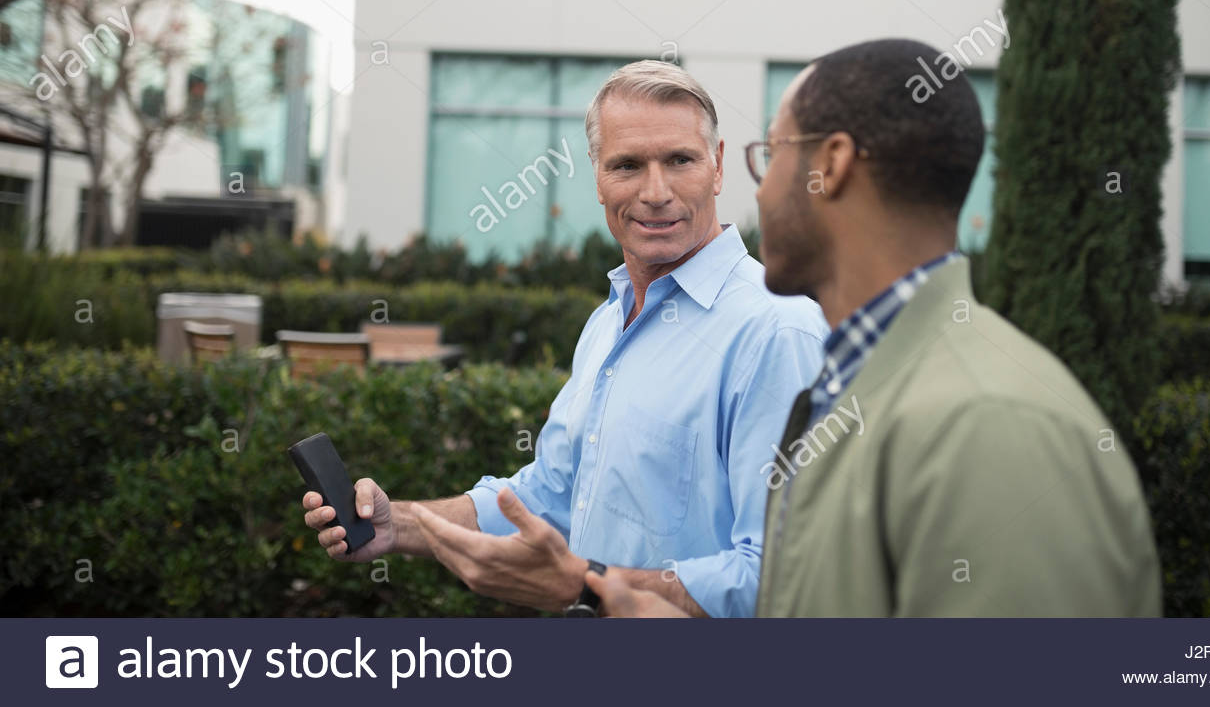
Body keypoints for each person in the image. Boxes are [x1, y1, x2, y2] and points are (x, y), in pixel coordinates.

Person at [589, 39, 1162, 617]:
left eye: (770, 156)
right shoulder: (866, 384)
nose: (756, 191)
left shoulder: (987, 420)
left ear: (831, 166)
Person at [302, 60, 827, 618]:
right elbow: (548, 496)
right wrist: (401, 525)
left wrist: (584, 586)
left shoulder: (779, 331)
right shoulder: (608, 322)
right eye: (627, 165)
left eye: (680, 160)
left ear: (718, 166)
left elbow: (780, 575)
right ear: (598, 177)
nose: (655, 192)